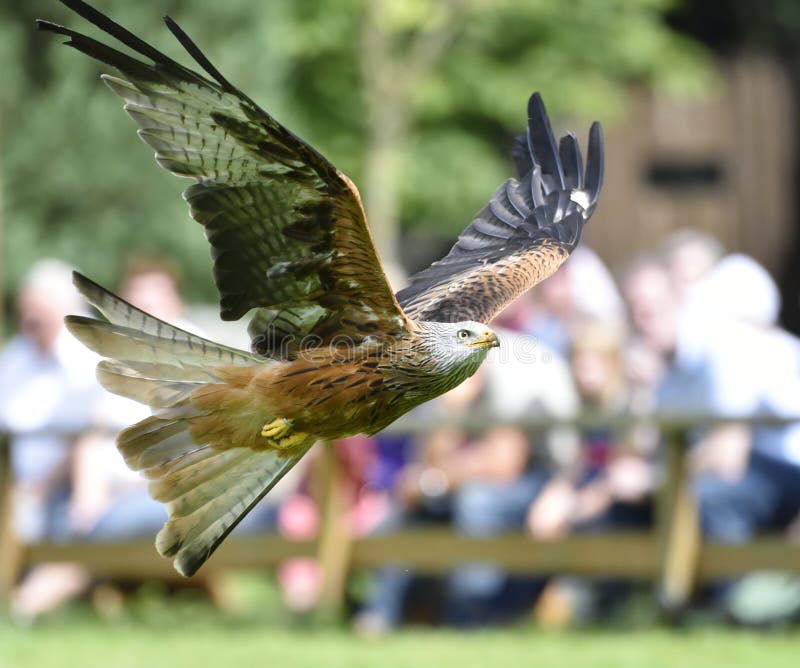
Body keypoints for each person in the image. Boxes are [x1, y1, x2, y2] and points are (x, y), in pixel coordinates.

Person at [354, 325, 578, 634]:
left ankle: (470, 615)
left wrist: (439, 479)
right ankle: (380, 615)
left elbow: (503, 463)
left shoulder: (509, 379)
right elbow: (426, 462)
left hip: (534, 483)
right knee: (408, 504)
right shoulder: (444, 387)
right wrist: (450, 411)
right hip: (463, 483)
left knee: (477, 502)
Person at [622, 255, 800, 618]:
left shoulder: (724, 345)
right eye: (635, 310)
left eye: (654, 308)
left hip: (787, 473)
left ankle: (726, 603)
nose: (644, 320)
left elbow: (727, 456)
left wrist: (655, 478)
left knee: (711, 495)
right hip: (763, 474)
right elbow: (643, 448)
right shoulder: (665, 368)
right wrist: (639, 393)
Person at [0, 259, 99, 621]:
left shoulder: (88, 359)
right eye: (25, 311)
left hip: (68, 488)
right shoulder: (13, 358)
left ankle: (29, 598)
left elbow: (91, 435)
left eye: (38, 313)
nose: (29, 320)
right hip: (14, 481)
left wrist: (39, 486)